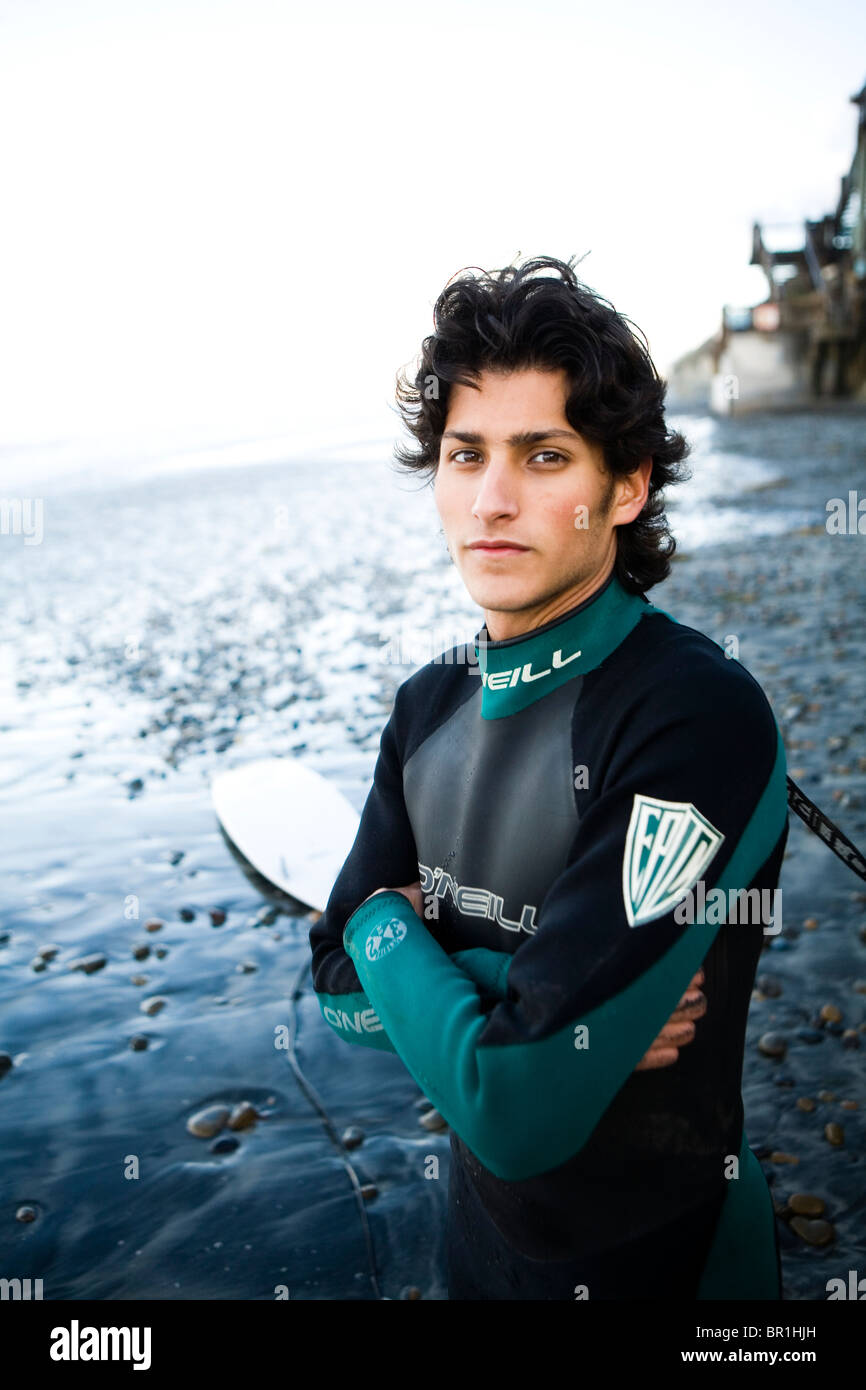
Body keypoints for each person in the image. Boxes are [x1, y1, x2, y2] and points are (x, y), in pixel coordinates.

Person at [309, 255, 788, 1300]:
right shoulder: (427, 708)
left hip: (670, 1261)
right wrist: (498, 983)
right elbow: (332, 992)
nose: (490, 499)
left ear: (624, 486)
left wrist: (390, 933)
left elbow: (517, 1109)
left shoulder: (691, 714)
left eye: (542, 455)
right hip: (474, 1245)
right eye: (463, 453)